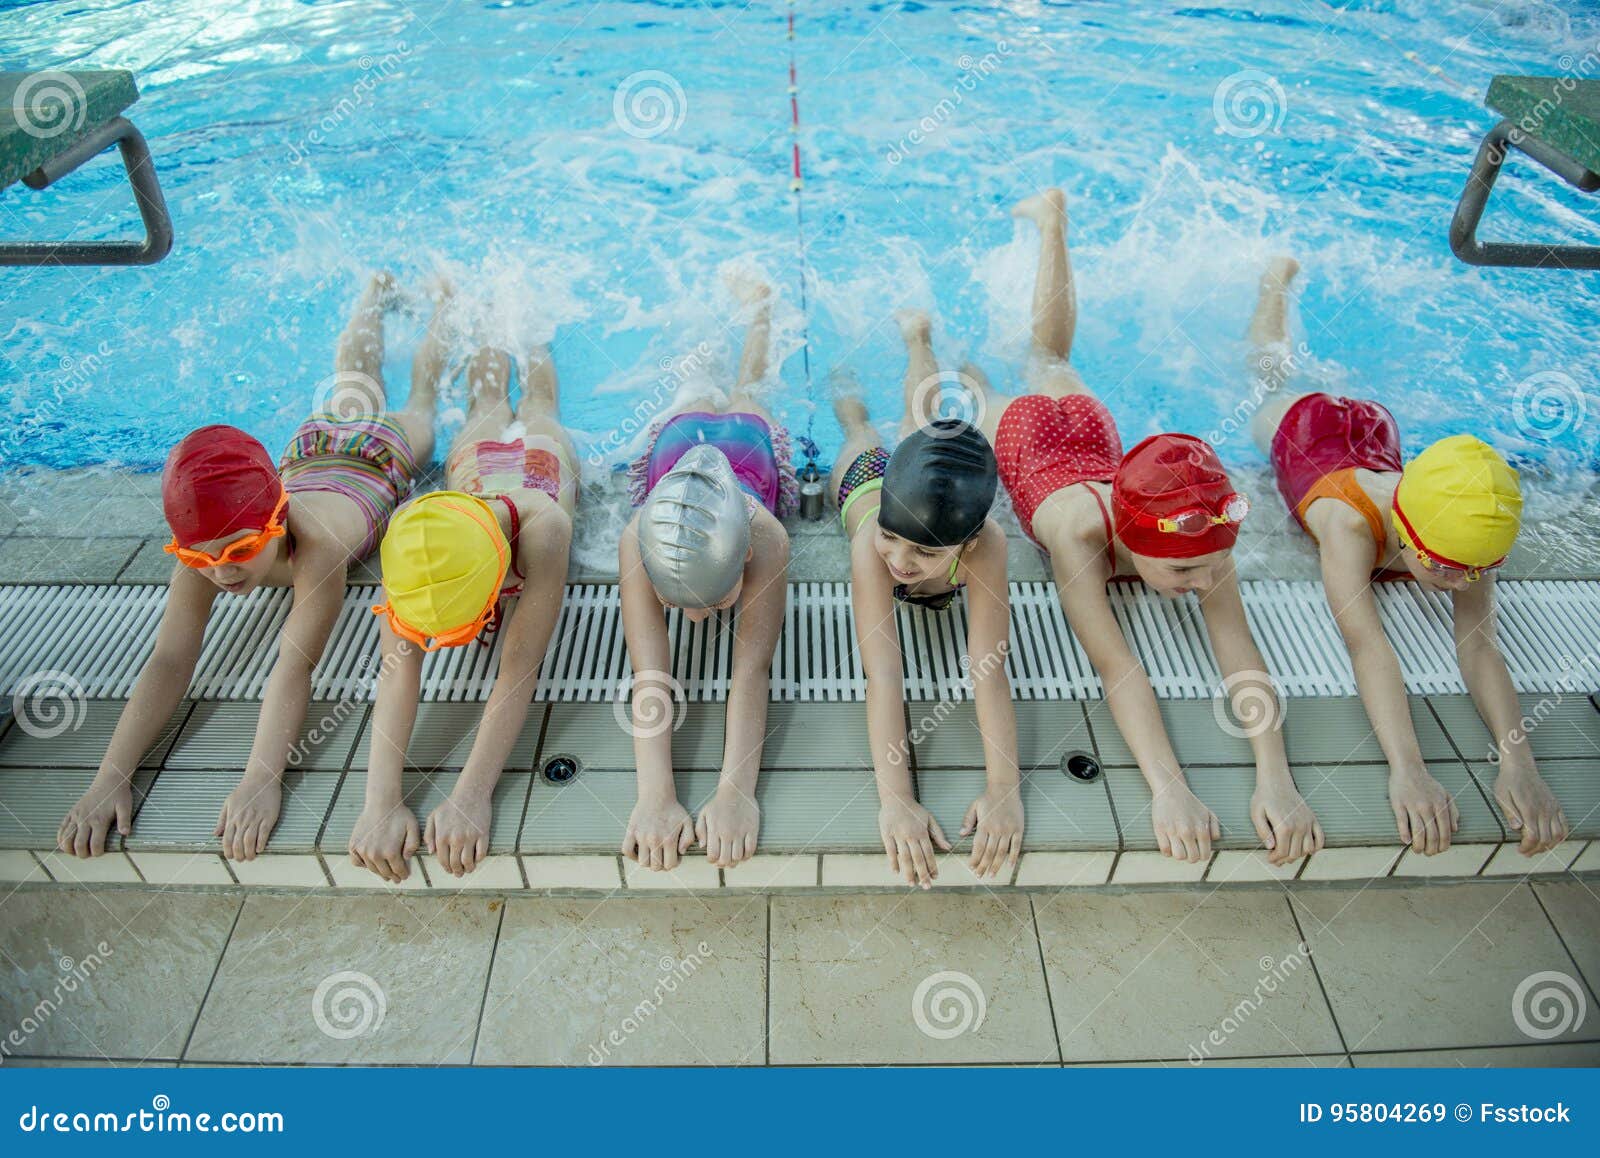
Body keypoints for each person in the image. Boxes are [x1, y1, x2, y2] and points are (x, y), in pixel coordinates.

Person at [977, 189, 1323, 868]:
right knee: (997, 385)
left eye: (1201, 569)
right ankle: (1033, 250)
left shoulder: (1196, 533)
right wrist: (1169, 788)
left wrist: (1277, 780)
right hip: (1030, 442)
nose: (1200, 582)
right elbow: (1118, 665)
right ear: (1132, 542)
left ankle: (1054, 223)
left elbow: (1241, 655)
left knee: (1050, 355)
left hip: (1096, 436)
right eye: (1185, 572)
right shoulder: (1080, 541)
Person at [57, 273, 444, 860]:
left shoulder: (316, 547)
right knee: (351, 382)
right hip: (309, 450)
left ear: (277, 522)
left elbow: (294, 667)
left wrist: (262, 778)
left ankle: (444, 308)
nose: (219, 572)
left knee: (421, 404)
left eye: (239, 553)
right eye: (199, 558)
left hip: (379, 458)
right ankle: (375, 294)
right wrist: (111, 774)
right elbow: (168, 660)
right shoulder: (207, 541)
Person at [1249, 256, 1567, 858]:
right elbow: (1368, 646)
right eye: (1446, 568)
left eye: (1476, 570)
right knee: (1269, 379)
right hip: (1308, 431)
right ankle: (1274, 284)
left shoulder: (1461, 532)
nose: (1460, 582)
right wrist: (1408, 768)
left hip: (1377, 434)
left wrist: (1518, 762)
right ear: (1406, 533)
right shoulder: (1350, 527)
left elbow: (1479, 645)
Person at [351, 338, 581, 883]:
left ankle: (532, 331)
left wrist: (472, 795)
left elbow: (518, 669)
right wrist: (379, 801)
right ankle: (495, 327)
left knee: (538, 407)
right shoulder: (415, 541)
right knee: (485, 406)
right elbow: (397, 673)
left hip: (542, 466)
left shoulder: (546, 531)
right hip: (475, 467)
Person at [831, 314, 1018, 889]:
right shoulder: (872, 543)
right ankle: (856, 409)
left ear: (966, 544)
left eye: (924, 554)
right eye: (895, 542)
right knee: (866, 437)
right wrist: (897, 800)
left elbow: (988, 670)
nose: (901, 562)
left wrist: (1004, 791)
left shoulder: (987, 547)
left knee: (929, 423)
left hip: (934, 498)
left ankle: (922, 341)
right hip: (870, 486)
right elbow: (883, 673)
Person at [618, 280, 793, 873]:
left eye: (713, 600)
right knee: (708, 383)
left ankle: (759, 310)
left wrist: (736, 790)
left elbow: (752, 668)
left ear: (743, 558)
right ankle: (748, 308)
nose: (697, 616)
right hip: (678, 443)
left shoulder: (767, 537)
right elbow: (651, 672)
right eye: (683, 604)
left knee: (747, 388)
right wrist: (653, 794)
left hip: (751, 444)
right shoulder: (638, 538)